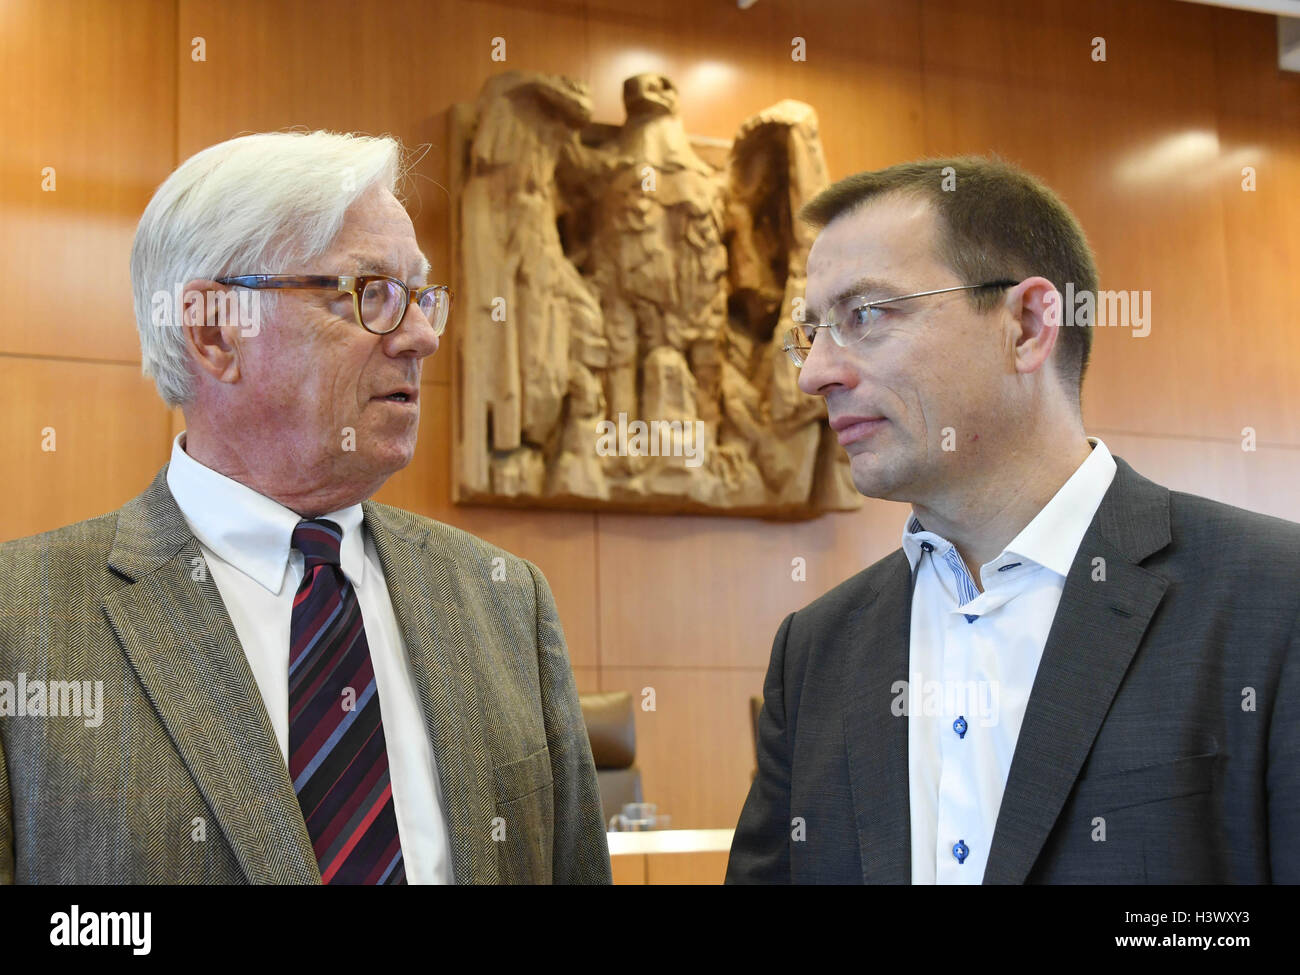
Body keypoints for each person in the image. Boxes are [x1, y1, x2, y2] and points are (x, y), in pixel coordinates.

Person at [0, 130, 610, 884]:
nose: (420, 335)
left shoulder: (503, 600)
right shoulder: (21, 622)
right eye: (369, 294)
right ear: (216, 331)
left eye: (422, 297)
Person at [726, 156, 1299, 884]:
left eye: (864, 315)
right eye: (814, 331)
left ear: (1027, 325)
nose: (815, 373)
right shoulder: (815, 650)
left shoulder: (1273, 602)